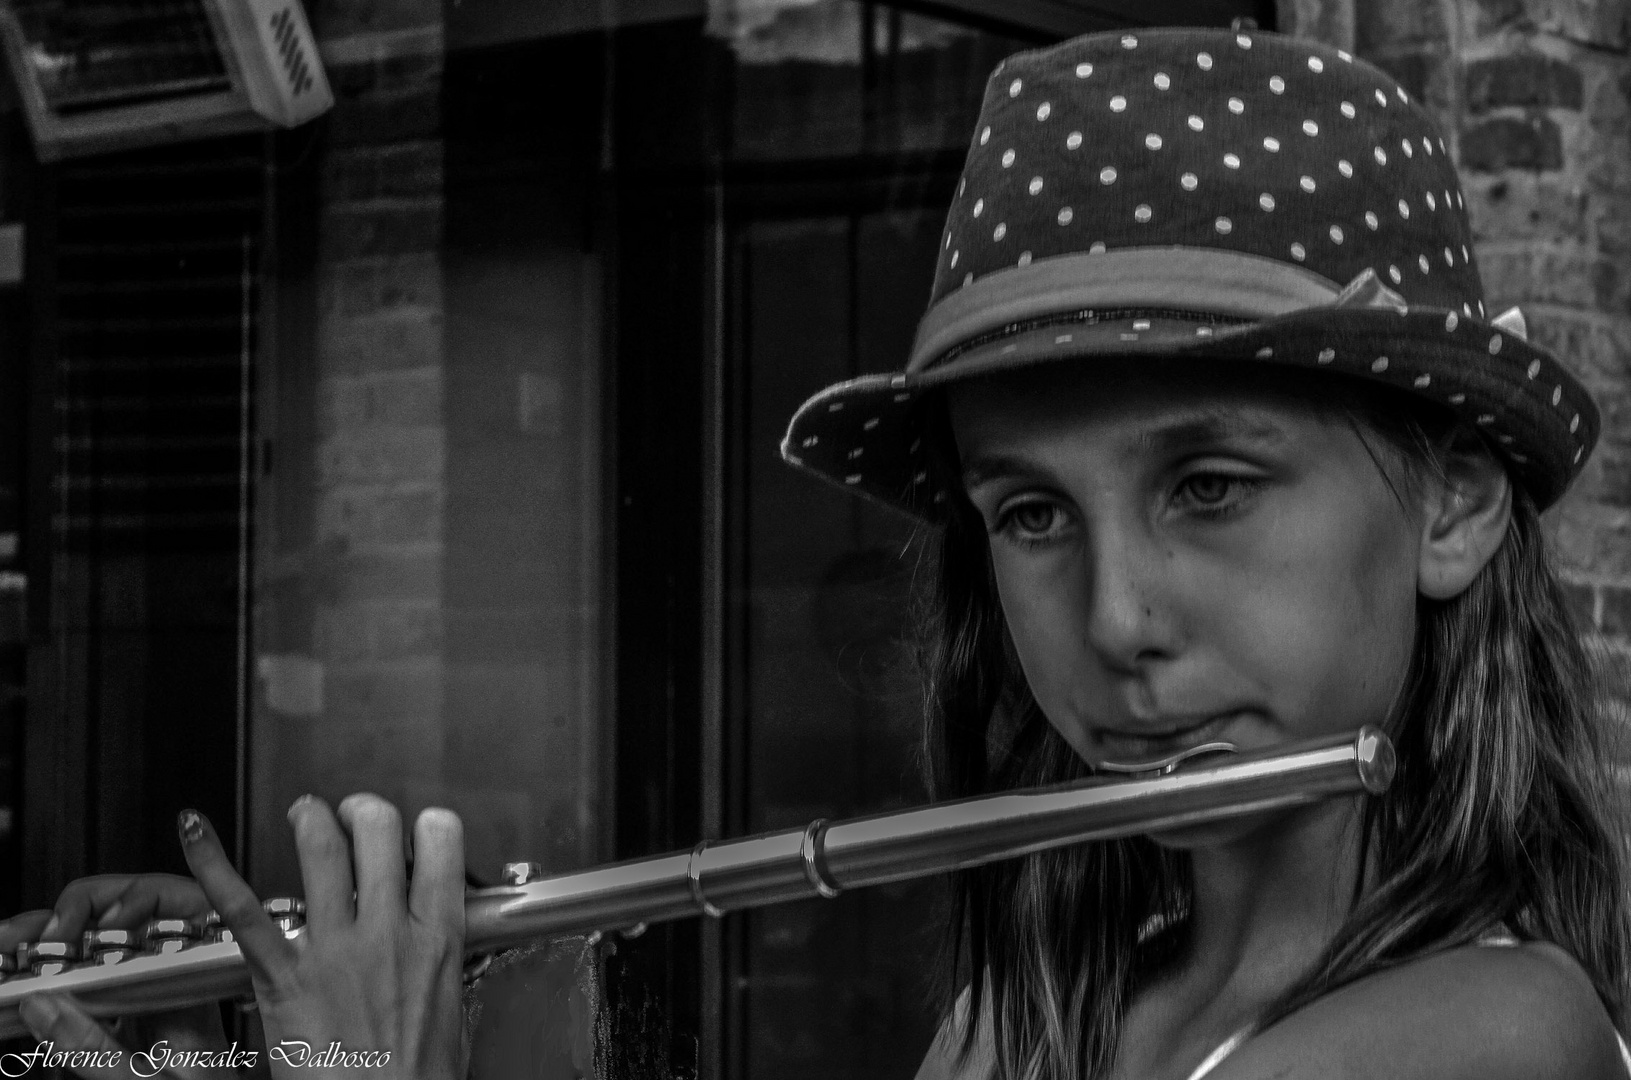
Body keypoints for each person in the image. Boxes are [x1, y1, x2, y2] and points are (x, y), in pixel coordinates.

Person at [4, 22, 1628, 1080]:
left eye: (1209, 486)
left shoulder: (1490, 1034)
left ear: (1452, 504)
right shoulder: (1029, 1016)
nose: (1117, 618)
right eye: (1031, 514)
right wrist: (324, 1006)